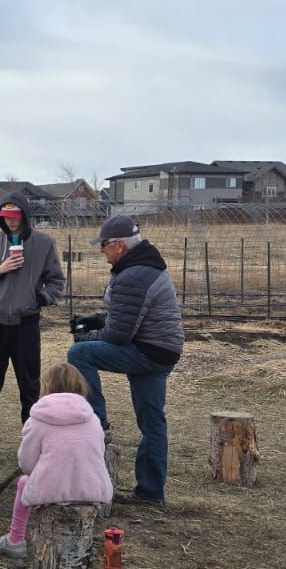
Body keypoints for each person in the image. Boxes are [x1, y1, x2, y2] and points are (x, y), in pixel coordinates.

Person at [67, 215, 184, 506]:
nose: (101, 251)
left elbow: (119, 335)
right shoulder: (142, 267)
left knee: (79, 355)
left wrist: (85, 338)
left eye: (104, 245)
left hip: (148, 350)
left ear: (118, 245)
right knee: (152, 421)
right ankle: (150, 492)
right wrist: (94, 321)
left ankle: (97, 420)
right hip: (161, 349)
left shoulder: (133, 275)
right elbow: (128, 316)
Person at [0, 196, 66, 467]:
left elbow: (57, 281)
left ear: (24, 215)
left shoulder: (44, 244)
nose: (9, 220)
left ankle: (32, 445)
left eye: (14, 215)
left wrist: (40, 298)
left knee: (29, 388)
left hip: (26, 325)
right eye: (4, 215)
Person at [0, 363, 114, 558]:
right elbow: (97, 454)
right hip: (94, 489)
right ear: (80, 386)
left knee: (23, 482)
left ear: (46, 386)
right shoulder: (93, 419)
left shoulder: (38, 419)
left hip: (53, 490)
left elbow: (26, 463)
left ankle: (15, 539)